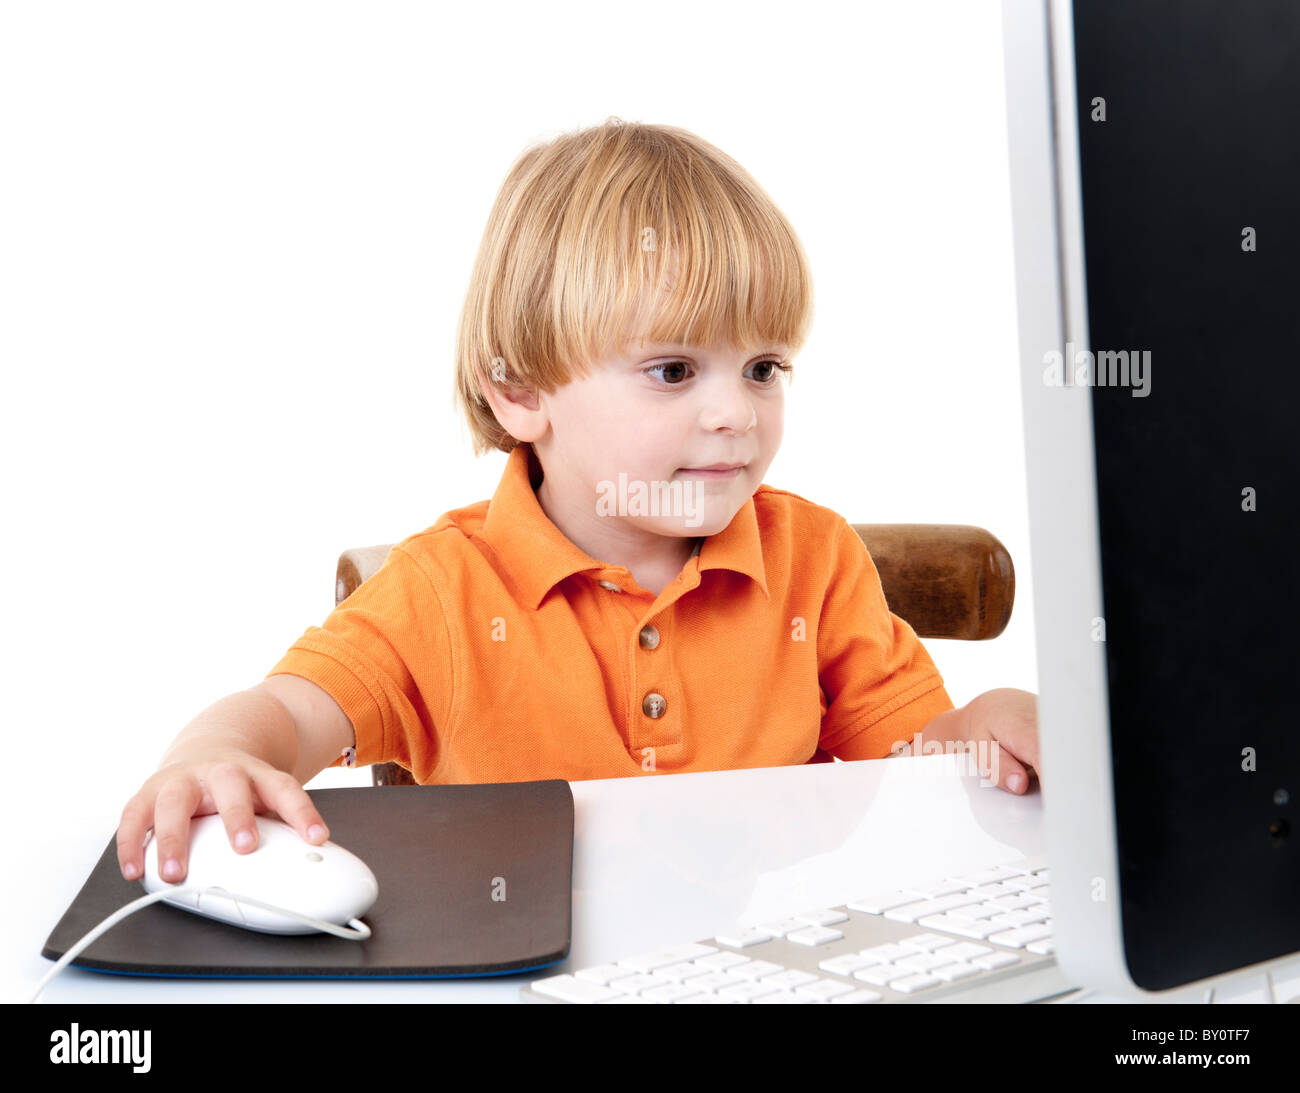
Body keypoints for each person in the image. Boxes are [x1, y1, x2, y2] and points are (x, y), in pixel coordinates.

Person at [116, 117, 1040, 886]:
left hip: (776, 972)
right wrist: (213, 754)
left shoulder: (815, 557)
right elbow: (284, 715)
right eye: (673, 369)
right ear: (520, 392)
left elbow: (921, 757)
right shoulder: (444, 590)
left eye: (764, 368)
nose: (736, 415)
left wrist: (984, 721)